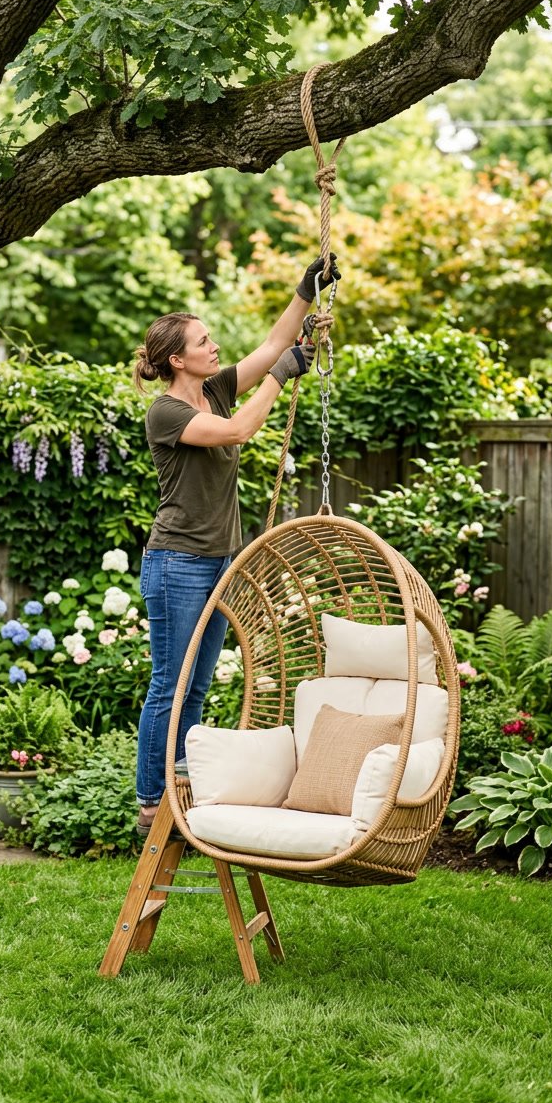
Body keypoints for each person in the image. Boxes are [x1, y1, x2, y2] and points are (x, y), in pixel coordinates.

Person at [132, 253, 340, 833]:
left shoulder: (216, 389)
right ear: (178, 359)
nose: (215, 346)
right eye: (204, 341)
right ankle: (152, 804)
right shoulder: (167, 412)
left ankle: (181, 790)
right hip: (177, 563)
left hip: (219, 560)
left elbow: (274, 344)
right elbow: (240, 430)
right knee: (169, 685)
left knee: (195, 687)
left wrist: (306, 289)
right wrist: (280, 376)